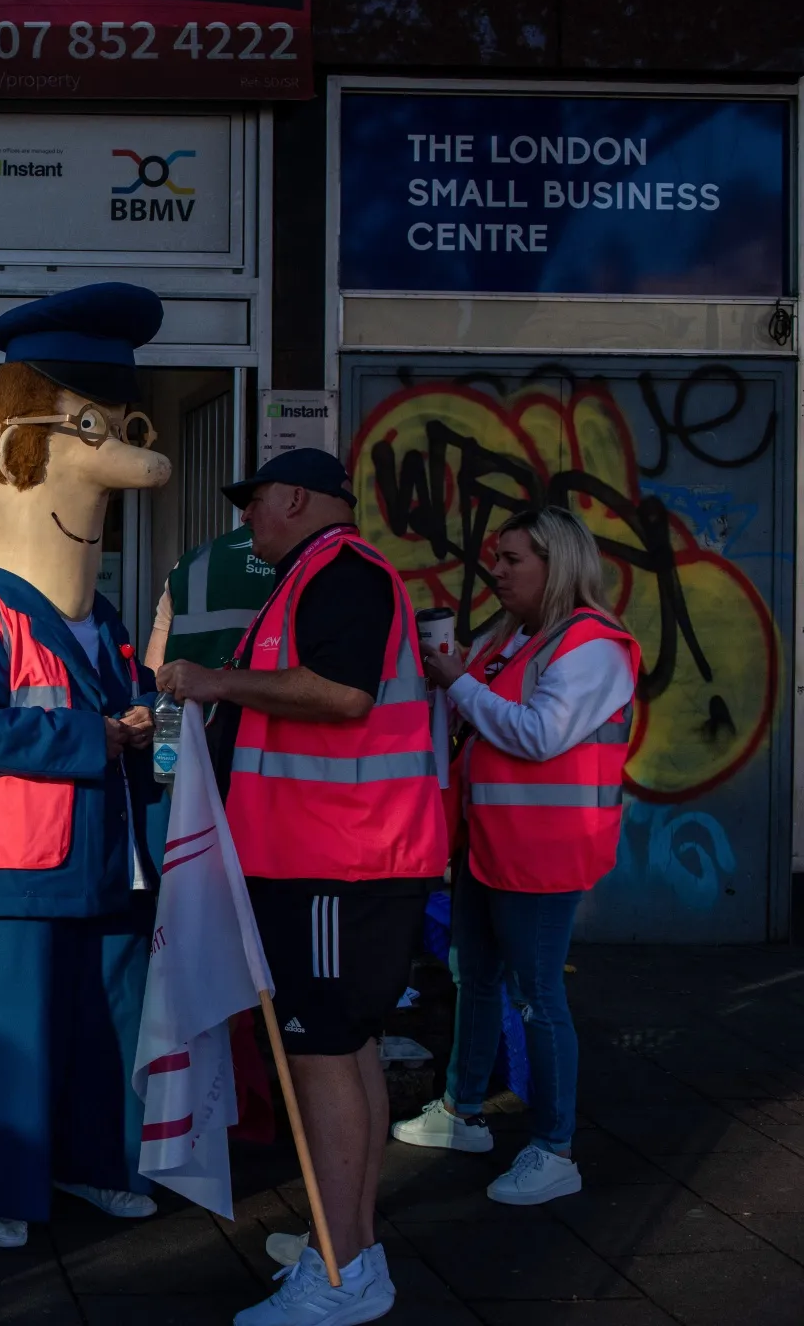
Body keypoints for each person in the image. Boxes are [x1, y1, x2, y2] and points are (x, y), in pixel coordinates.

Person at [158, 447, 445, 1326]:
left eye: (255, 505)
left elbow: (343, 695)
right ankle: (343, 1248)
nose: (248, 521)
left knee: (324, 1057)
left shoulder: (343, 572)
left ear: (295, 498)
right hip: (330, 856)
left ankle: (345, 1272)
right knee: (344, 1050)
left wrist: (213, 680)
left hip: (336, 859)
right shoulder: (321, 575)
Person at [0, 283, 174, 1250]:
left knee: (106, 1033)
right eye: (92, 425)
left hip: (105, 863)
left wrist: (147, 721)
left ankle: (99, 1165)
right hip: (13, 873)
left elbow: (112, 721)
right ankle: (9, 1188)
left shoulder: (103, 621)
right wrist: (99, 741)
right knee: (18, 1045)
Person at [392, 507, 638, 1206]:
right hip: (489, 844)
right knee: (474, 977)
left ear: (556, 565)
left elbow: (538, 736)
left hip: (542, 853)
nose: (494, 571)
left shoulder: (591, 644)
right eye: (496, 558)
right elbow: (480, 727)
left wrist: (457, 683)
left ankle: (555, 1149)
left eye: (512, 559)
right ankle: (462, 1110)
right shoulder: (519, 638)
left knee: (536, 996)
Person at [143, 522, 273, 672]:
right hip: (273, 692)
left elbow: (154, 672)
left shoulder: (192, 564)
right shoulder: (300, 562)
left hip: (190, 693)